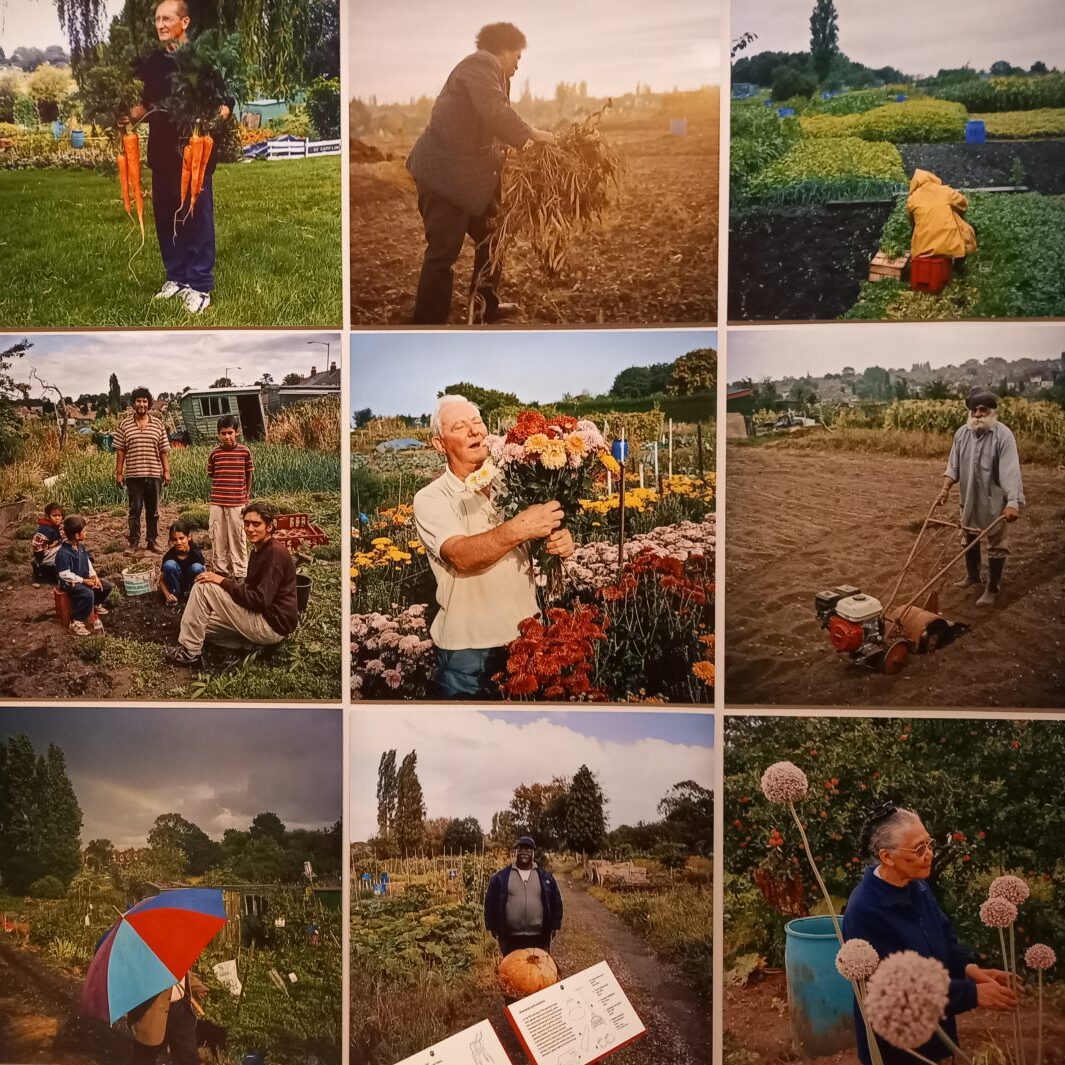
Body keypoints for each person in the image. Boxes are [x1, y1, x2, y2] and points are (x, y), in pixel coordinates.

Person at [413, 395, 574, 698]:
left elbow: (537, 540)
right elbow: (461, 556)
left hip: (527, 635)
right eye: (460, 427)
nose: (474, 431)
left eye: (477, 422)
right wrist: (518, 528)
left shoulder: (511, 481)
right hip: (469, 652)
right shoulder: (432, 498)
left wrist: (558, 540)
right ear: (439, 444)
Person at [406, 22, 557, 324]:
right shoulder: (478, 65)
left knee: (493, 238)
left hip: (471, 179)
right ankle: (428, 322)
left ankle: (484, 307)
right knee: (443, 254)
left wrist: (524, 151)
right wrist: (535, 134)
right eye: (517, 56)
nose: (518, 64)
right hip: (443, 178)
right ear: (502, 49)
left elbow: (491, 125)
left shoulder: (496, 76)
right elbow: (494, 112)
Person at [842, 804, 1017, 1065]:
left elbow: (944, 936)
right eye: (919, 849)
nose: (930, 855)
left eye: (929, 844)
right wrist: (972, 994)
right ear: (887, 857)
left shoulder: (916, 884)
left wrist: (969, 969)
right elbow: (899, 989)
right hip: (900, 1045)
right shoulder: (865, 910)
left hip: (937, 1029)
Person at [127, 0, 232, 315]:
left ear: (184, 22)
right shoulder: (150, 64)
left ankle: (199, 285)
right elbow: (141, 108)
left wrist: (215, 119)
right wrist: (124, 114)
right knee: (165, 218)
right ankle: (176, 276)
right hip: (161, 153)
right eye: (156, 19)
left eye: (166, 18)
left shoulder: (204, 61)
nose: (159, 24)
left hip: (195, 154)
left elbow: (226, 102)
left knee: (196, 217)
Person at [167, 502, 298, 666]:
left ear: (269, 527)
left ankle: (190, 653)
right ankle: (250, 645)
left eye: (256, 524)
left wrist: (222, 581)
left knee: (204, 586)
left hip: (271, 624)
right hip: (264, 619)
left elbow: (258, 600)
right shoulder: (259, 550)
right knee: (200, 625)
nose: (250, 529)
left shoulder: (274, 553)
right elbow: (251, 590)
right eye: (247, 523)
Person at [935, 388, 1023, 606]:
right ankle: (972, 576)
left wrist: (1012, 502)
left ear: (992, 412)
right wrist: (945, 488)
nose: (977, 415)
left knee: (997, 542)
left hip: (994, 499)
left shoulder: (1003, 436)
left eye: (983, 410)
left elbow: (1010, 470)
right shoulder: (962, 434)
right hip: (969, 496)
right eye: (974, 410)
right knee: (969, 534)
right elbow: (953, 465)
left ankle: (993, 587)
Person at [484, 836, 563, 956]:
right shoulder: (501, 877)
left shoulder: (545, 877)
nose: (524, 853)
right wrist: (492, 927)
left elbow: (556, 902)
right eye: (521, 849)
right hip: (510, 937)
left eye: (528, 849)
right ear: (516, 852)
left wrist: (554, 926)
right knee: (512, 971)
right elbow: (490, 902)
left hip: (539, 937)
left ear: (533, 853)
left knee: (538, 971)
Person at [114, 387, 171, 552]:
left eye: (144, 401)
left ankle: (152, 541)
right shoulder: (124, 424)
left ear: (149, 403)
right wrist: (119, 473)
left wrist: (166, 471)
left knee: (153, 511)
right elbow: (120, 451)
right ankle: (133, 543)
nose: (141, 404)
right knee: (135, 510)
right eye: (138, 401)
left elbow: (163, 450)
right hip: (133, 475)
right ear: (133, 403)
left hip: (154, 474)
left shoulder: (158, 424)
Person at [207, 414, 253, 578]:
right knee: (218, 535)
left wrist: (246, 494)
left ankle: (240, 571)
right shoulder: (214, 453)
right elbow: (212, 475)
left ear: (237, 433)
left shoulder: (244, 452)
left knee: (237, 535)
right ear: (218, 434)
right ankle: (221, 570)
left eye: (230, 432)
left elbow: (249, 474)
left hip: (237, 502)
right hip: (217, 502)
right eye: (223, 433)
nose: (227, 437)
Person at [128, 971, 207, 1065]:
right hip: (153, 1013)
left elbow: (183, 971)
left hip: (180, 1007)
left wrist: (196, 986)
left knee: (188, 1056)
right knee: (145, 1056)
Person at [56, 516, 113, 637]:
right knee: (88, 593)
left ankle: (95, 605)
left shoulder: (80, 547)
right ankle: (76, 620)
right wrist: (83, 581)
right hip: (70, 583)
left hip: (83, 578)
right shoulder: (63, 553)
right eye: (84, 531)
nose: (86, 533)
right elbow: (64, 574)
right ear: (77, 535)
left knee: (106, 586)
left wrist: (94, 576)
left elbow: (87, 562)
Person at [907, 169, 977, 261]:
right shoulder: (945, 191)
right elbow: (964, 204)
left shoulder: (912, 199)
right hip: (950, 243)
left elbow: (912, 221)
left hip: (922, 246)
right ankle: (959, 267)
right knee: (966, 231)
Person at [158, 520, 206, 605]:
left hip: (191, 585)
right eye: (175, 539)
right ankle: (174, 598)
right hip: (175, 587)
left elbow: (205, 574)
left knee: (197, 567)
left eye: (181, 538)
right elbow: (161, 580)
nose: (178, 542)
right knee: (170, 565)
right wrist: (167, 594)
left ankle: (194, 595)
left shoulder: (196, 553)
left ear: (189, 537)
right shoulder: (169, 556)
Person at [30, 501, 64, 584]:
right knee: (67, 547)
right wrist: (40, 560)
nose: (57, 518)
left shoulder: (56, 526)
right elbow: (36, 546)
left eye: (59, 515)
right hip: (44, 556)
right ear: (48, 517)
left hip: (51, 550)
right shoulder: (45, 529)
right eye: (54, 516)